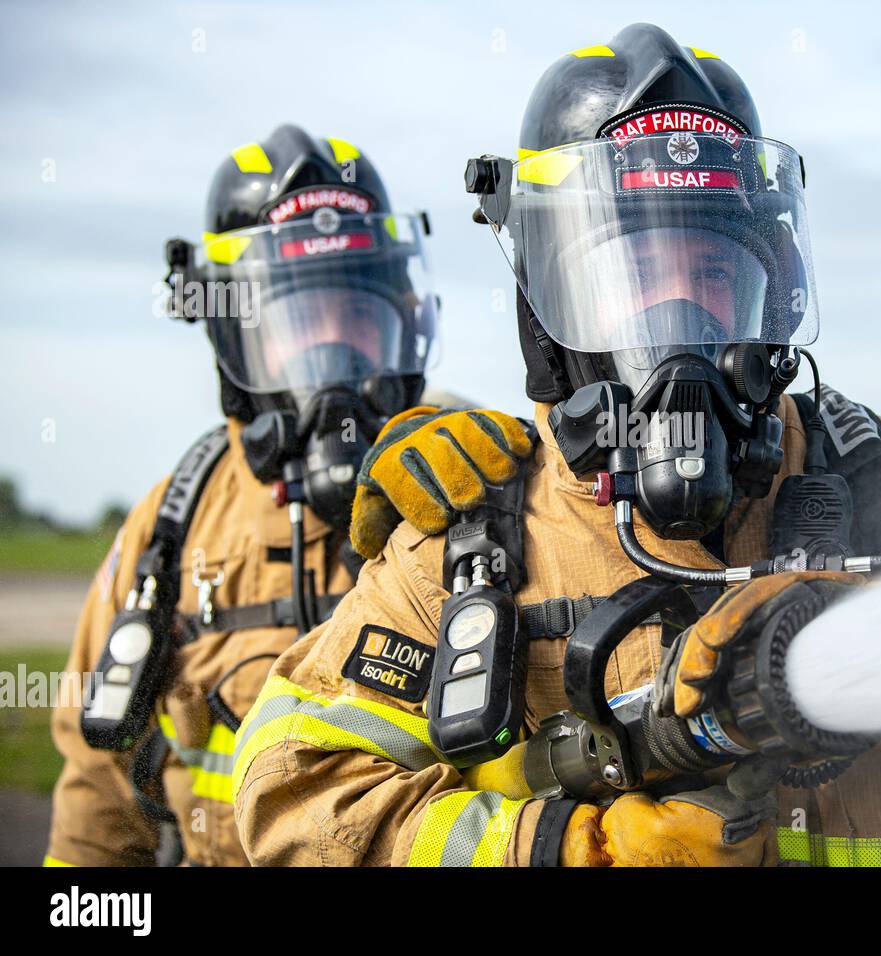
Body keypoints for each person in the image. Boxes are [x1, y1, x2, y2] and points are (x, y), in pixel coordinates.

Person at [233, 28, 881, 867]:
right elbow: (291, 792)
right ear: (551, 316)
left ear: (773, 294)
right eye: (631, 279)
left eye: (714, 276)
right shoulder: (482, 534)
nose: (678, 332)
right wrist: (568, 851)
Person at [45, 124, 530, 867]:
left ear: (407, 323)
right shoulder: (168, 529)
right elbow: (97, 802)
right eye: (297, 331)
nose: (335, 371)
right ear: (234, 350)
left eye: (358, 325)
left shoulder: (475, 480)